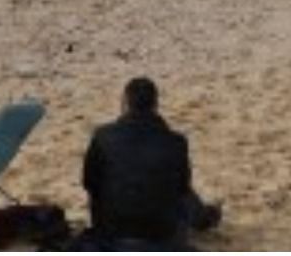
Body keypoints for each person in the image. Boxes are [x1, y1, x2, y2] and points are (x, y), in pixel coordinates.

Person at [81, 77, 220, 250]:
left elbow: (89, 183)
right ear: (155, 105)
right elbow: (182, 188)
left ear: (125, 103)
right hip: (162, 235)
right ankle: (204, 217)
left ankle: (203, 216)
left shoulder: (102, 136)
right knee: (172, 184)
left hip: (111, 232)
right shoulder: (176, 142)